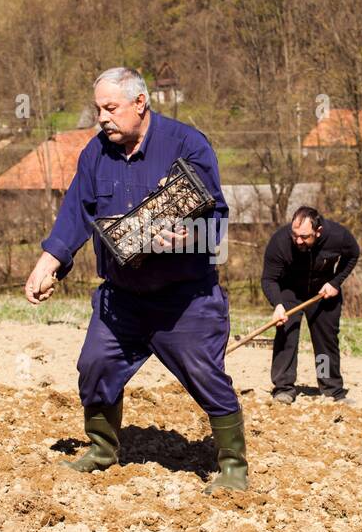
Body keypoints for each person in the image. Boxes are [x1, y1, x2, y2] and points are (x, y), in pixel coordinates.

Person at [23, 67, 247, 493]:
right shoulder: (95, 156)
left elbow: (215, 217)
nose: (102, 118)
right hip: (122, 297)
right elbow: (76, 212)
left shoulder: (186, 144)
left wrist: (186, 238)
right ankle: (103, 448)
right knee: (95, 366)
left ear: (140, 103)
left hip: (184, 299)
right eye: (98, 109)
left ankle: (233, 464)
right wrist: (49, 261)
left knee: (206, 376)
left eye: (111, 108)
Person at [261, 206, 360, 403]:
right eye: (295, 235)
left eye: (305, 237)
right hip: (290, 290)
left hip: (322, 291)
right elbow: (269, 279)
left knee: (324, 341)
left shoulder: (338, 236)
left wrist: (335, 282)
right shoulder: (280, 241)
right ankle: (284, 388)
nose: (298, 241)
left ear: (318, 231)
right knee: (286, 334)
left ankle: (330, 388)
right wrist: (278, 304)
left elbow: (353, 255)